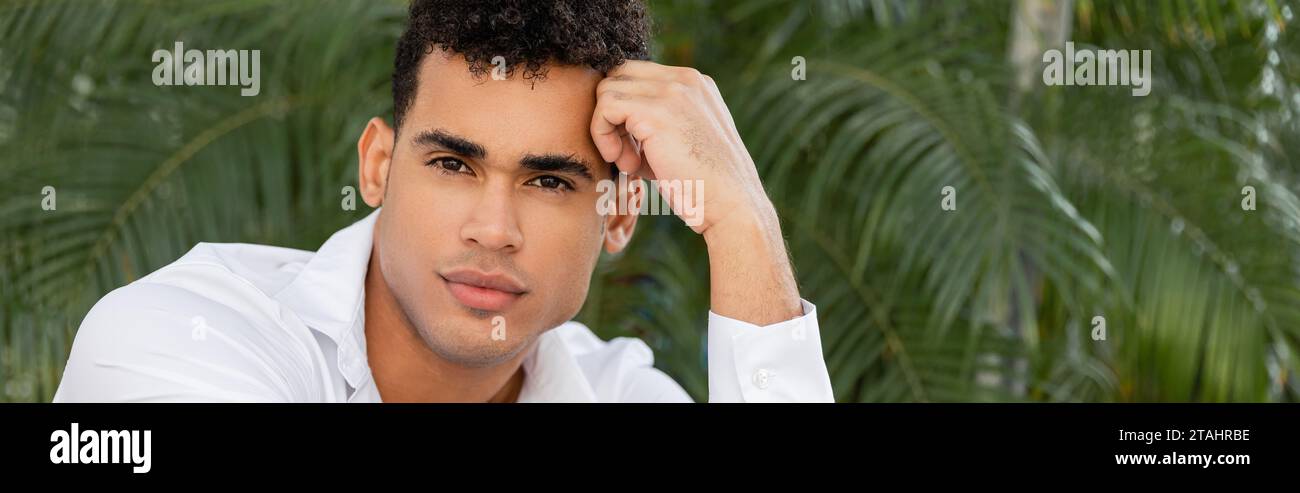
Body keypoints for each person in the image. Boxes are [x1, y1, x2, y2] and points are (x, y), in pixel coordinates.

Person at [53, 0, 834, 403]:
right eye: (454, 164)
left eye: (551, 181)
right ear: (378, 165)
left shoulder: (617, 390)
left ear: (621, 214)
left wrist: (743, 221)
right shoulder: (183, 341)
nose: (493, 229)